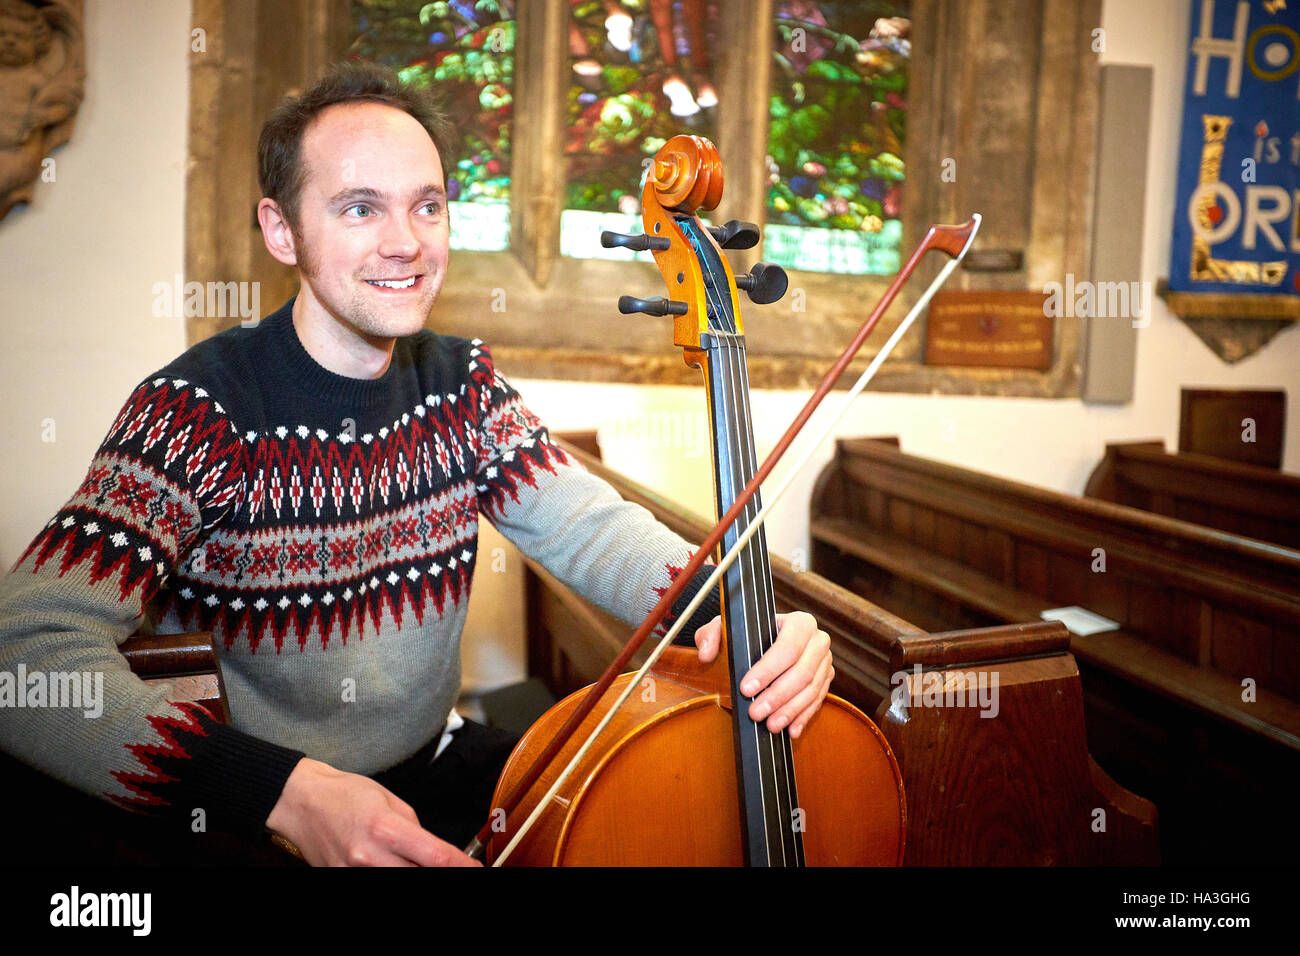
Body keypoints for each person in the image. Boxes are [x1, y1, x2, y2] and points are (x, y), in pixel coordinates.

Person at [0, 61, 834, 867]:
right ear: (281, 229)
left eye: (426, 205)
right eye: (359, 209)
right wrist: (283, 793)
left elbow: (589, 524)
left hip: (429, 770)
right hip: (251, 805)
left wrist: (738, 611)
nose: (406, 243)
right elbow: (21, 655)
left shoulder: (459, 383)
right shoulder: (196, 411)